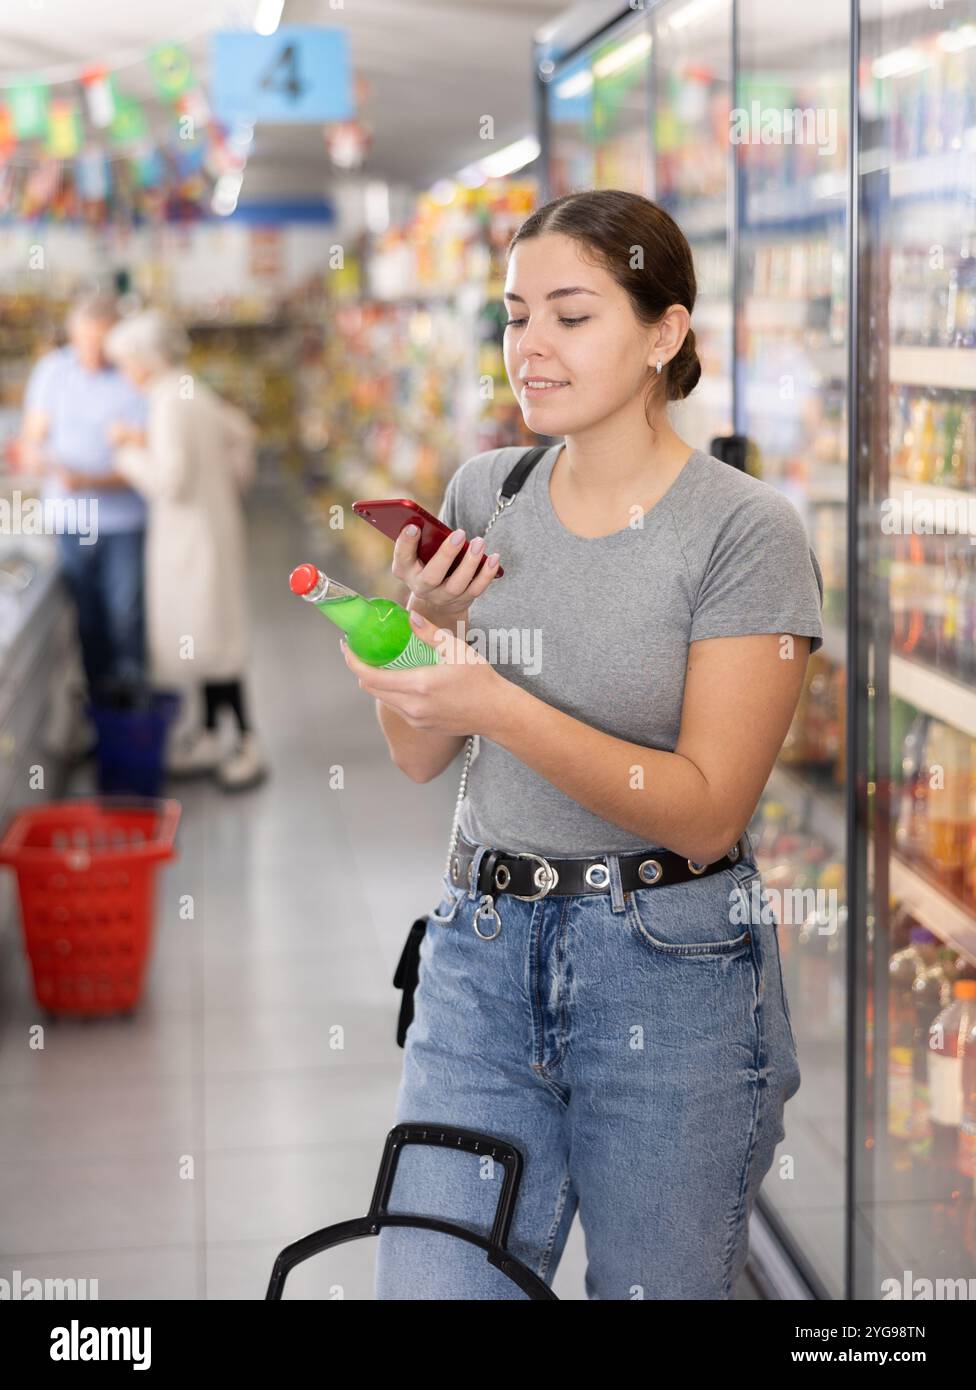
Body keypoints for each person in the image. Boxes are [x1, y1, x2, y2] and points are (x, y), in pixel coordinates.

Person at [341, 189, 825, 1299]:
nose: (530, 348)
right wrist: (424, 636)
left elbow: (707, 809)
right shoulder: (483, 494)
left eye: (570, 314)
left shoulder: (744, 533)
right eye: (515, 316)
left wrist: (495, 704)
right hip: (478, 955)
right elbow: (420, 756)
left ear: (664, 332)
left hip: (669, 968)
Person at [102, 308, 267, 792]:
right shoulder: (187, 388)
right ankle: (216, 736)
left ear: (143, 360)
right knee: (212, 639)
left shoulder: (166, 401)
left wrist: (127, 454)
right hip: (211, 531)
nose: (124, 373)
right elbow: (239, 433)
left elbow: (170, 481)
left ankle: (244, 742)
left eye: (126, 362)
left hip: (189, 541)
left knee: (213, 644)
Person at [19, 288, 148, 704]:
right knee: (87, 618)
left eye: (102, 342)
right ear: (73, 335)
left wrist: (90, 481)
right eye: (86, 341)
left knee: (125, 615)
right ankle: (100, 707)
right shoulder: (52, 372)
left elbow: (147, 458)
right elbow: (31, 441)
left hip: (123, 521)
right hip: (72, 519)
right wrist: (43, 461)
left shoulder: (133, 375)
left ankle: (132, 705)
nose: (93, 352)